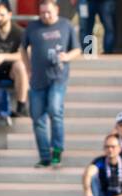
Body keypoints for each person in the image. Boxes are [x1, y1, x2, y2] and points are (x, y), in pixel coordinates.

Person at [22, 0, 79, 170]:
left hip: (58, 77)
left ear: (57, 10)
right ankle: (45, 156)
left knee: (55, 110)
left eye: (49, 13)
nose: (46, 16)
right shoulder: (32, 27)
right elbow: (22, 48)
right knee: (37, 118)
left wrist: (66, 57)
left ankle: (57, 151)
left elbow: (77, 49)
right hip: (37, 79)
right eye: (42, 13)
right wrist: (27, 68)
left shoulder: (66, 25)